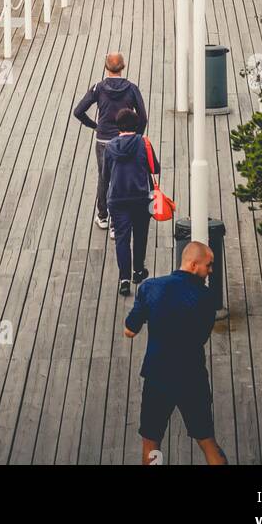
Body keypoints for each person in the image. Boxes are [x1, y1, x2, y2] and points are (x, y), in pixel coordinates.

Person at [124, 241, 227, 466]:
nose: (210, 271)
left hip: (158, 376)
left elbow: (130, 331)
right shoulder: (208, 297)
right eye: (208, 265)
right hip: (192, 376)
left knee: (151, 443)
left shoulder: (151, 287)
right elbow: (202, 336)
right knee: (207, 440)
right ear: (192, 265)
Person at [73, 53, 148, 230]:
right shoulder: (132, 89)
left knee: (104, 177)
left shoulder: (98, 88)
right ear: (123, 67)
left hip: (103, 140)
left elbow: (78, 111)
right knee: (120, 177)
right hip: (124, 140)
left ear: (106, 67)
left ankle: (103, 216)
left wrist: (95, 125)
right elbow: (143, 117)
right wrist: (135, 136)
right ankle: (116, 223)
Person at [103, 108, 160, 295]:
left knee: (122, 239)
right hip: (141, 197)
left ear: (117, 126)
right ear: (136, 125)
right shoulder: (144, 143)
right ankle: (138, 271)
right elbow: (155, 168)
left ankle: (124, 279)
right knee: (140, 235)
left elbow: (105, 177)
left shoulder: (110, 147)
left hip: (117, 199)